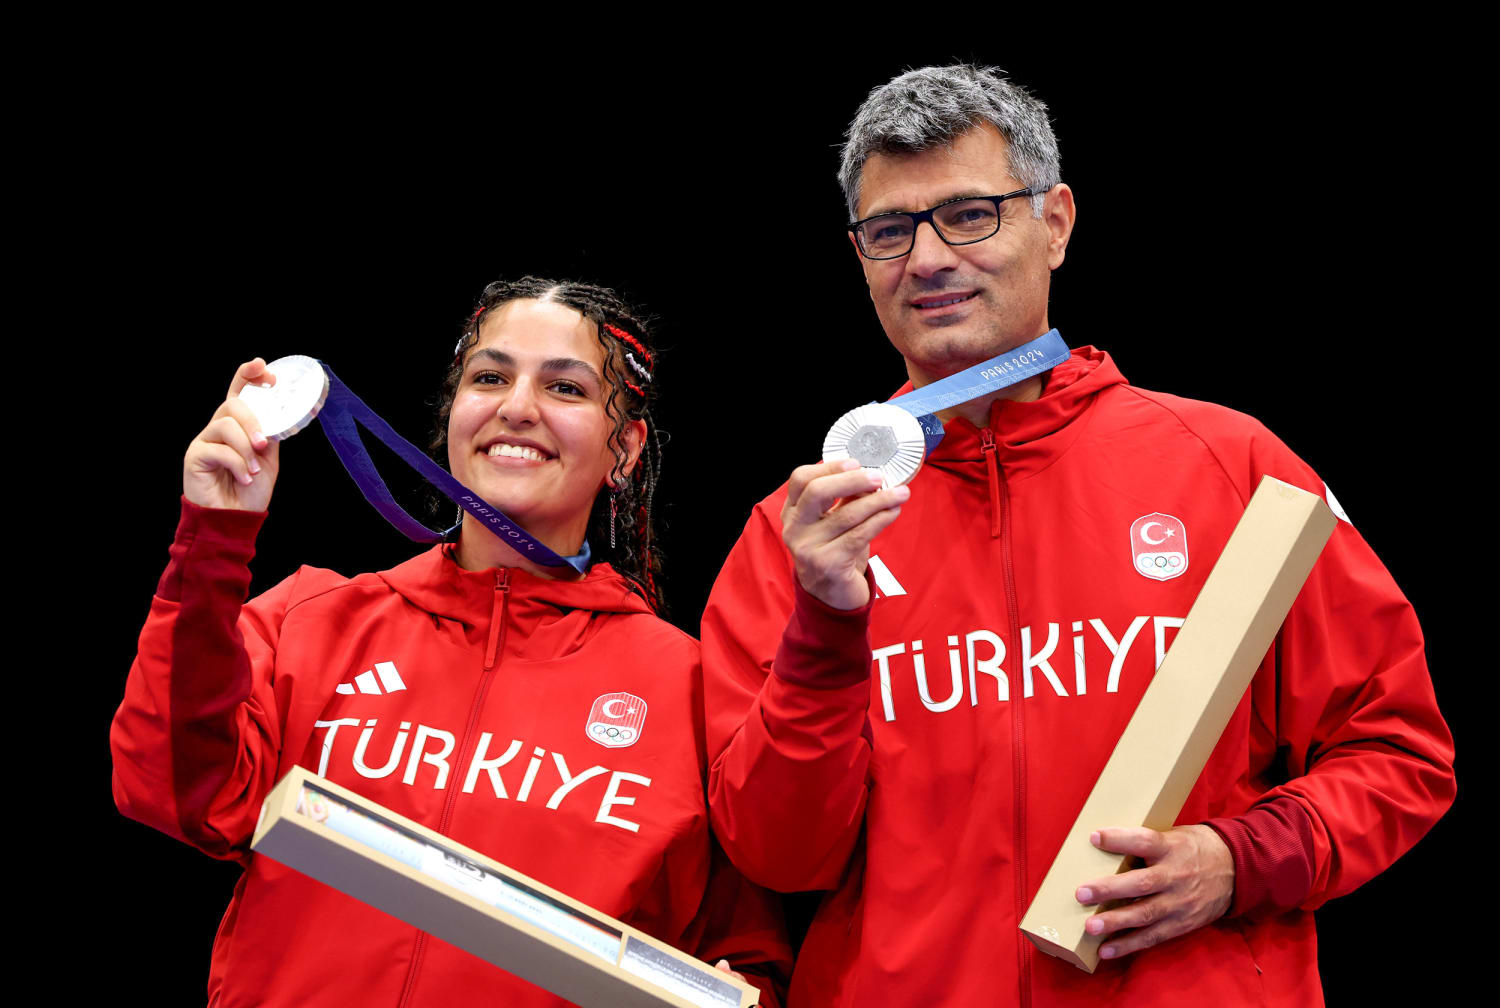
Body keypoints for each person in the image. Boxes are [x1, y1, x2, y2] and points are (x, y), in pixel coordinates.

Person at [700, 65, 1454, 1006]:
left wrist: (1240, 859)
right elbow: (778, 856)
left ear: (1055, 223)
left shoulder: (1233, 467)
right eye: (890, 230)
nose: (926, 259)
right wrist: (823, 627)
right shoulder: (801, 533)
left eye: (968, 215)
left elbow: (1398, 750)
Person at [112, 277, 790, 1007]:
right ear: (454, 413)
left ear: (623, 449)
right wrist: (213, 538)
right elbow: (173, 793)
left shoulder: (691, 689)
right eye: (489, 377)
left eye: (564, 388)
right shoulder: (313, 620)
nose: (517, 407)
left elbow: (746, 958)